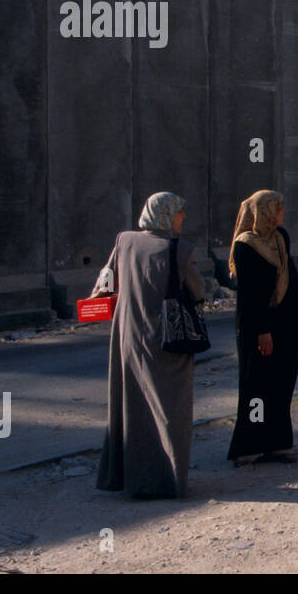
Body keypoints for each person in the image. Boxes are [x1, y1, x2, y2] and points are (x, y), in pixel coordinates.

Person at [94, 192, 205, 498]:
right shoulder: (180, 250)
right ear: (167, 214)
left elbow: (105, 284)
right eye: (180, 212)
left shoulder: (124, 241)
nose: (183, 217)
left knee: (130, 404)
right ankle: (167, 481)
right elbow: (197, 291)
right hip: (168, 339)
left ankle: (127, 478)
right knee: (170, 410)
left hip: (128, 335)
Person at [226, 190, 298, 466]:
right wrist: (262, 330)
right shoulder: (246, 245)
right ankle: (250, 445)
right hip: (259, 326)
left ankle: (278, 443)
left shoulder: (279, 238)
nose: (283, 213)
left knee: (282, 383)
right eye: (278, 208)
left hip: (286, 322)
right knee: (256, 386)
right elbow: (250, 294)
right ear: (264, 211)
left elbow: (292, 276)